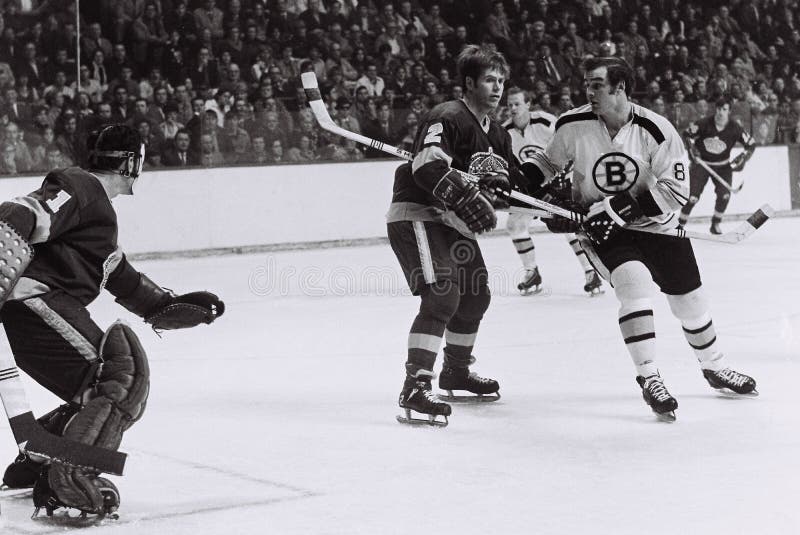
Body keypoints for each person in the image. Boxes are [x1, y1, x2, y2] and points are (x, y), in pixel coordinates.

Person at [0, 124, 224, 517]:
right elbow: (23, 211)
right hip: (36, 301)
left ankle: (40, 459)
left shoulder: (99, 223)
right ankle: (70, 478)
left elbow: (128, 283)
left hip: (38, 308)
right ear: (131, 163)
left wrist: (176, 308)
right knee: (122, 378)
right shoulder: (82, 186)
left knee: (94, 388)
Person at [516, 57, 757, 421]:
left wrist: (618, 209)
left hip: (655, 225)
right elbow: (547, 165)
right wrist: (518, 183)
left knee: (690, 303)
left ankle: (714, 365)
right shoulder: (571, 123)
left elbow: (677, 190)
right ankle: (649, 376)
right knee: (634, 283)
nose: (588, 91)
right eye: (587, 84)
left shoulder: (656, 128)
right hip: (605, 232)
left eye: (597, 85)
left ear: (620, 88)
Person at [387, 45, 511, 426]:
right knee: (442, 295)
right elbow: (425, 165)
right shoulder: (448, 116)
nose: (497, 87)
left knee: (475, 295)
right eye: (489, 79)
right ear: (469, 82)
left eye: (501, 81)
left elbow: (512, 189)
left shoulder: (499, 136)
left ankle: (455, 371)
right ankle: (415, 384)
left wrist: (555, 208)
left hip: (453, 224)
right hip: (420, 214)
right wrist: (462, 193)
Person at [503, 87, 603, 296]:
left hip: (560, 181)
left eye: (517, 104)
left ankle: (590, 271)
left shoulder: (546, 122)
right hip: (532, 186)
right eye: (509, 104)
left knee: (569, 225)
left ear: (528, 104)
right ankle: (532, 272)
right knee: (515, 225)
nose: (512, 108)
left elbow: (571, 144)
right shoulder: (505, 132)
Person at [678, 97, 756, 234]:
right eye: (719, 109)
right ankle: (679, 225)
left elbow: (750, 144)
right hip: (702, 164)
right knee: (692, 197)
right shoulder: (703, 123)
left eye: (724, 109)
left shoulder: (735, 128)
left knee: (724, 196)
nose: (720, 112)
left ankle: (715, 224)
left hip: (723, 166)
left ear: (729, 111)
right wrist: (691, 149)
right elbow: (686, 134)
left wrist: (744, 158)